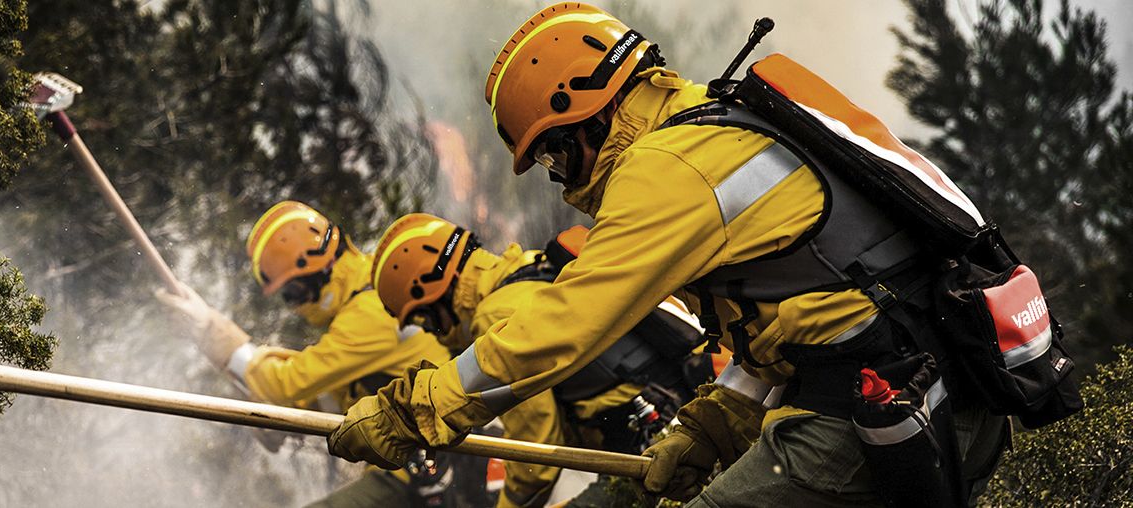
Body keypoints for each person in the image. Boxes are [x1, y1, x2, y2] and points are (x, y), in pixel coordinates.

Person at [325, 4, 1010, 506]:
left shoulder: (669, 167)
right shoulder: (712, 127)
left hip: (882, 411)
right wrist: (717, 423)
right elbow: (804, 308)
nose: (564, 185)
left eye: (558, 155)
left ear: (586, 107)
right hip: (919, 402)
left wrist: (411, 412)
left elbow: (565, 323)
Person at [370, 213, 719, 507]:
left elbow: (534, 456)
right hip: (690, 412)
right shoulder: (533, 268)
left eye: (425, 320)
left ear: (430, 287)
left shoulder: (494, 318)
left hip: (658, 446)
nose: (434, 332)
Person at [156, 200, 464, 507]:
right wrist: (281, 415)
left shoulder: (370, 312)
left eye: (292, 293)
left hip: (430, 464)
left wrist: (210, 329)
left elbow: (285, 382)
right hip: (418, 462)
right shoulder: (364, 297)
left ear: (316, 273)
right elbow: (330, 393)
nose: (294, 306)